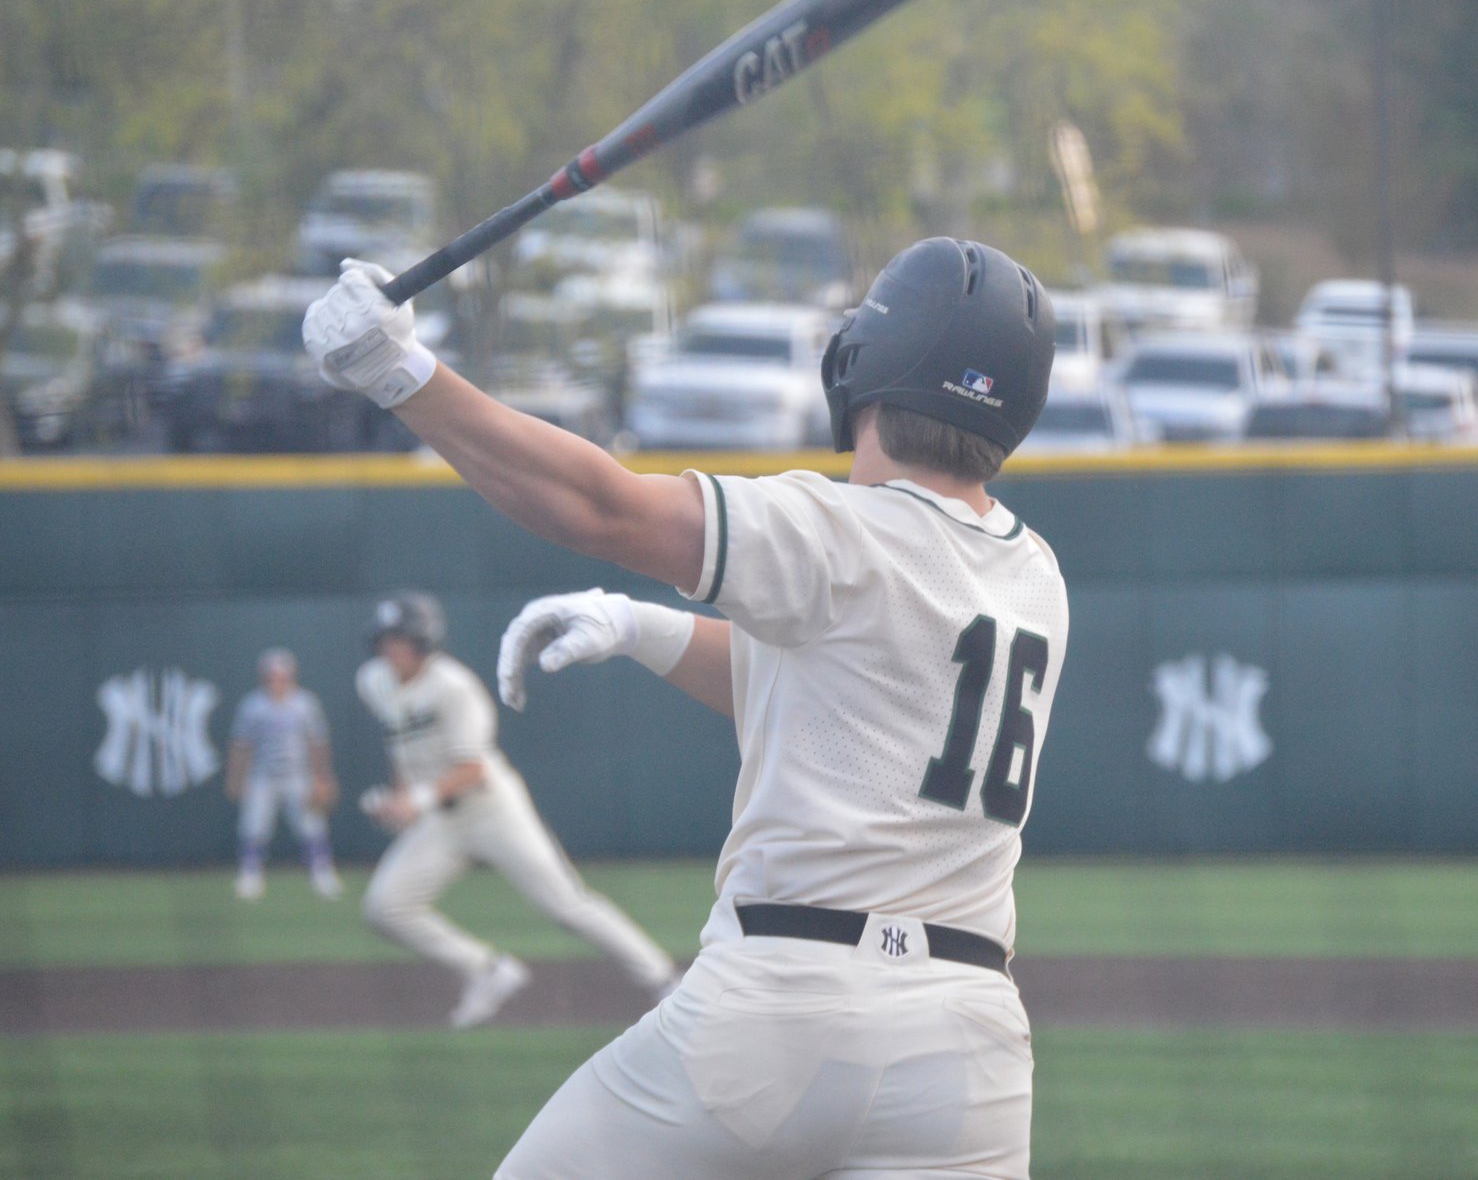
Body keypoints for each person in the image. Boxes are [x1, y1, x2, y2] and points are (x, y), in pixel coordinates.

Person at [305, 235, 1067, 1176]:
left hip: (783, 1003)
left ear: (872, 361)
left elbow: (601, 507)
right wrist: (641, 627)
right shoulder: (1034, 574)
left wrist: (400, 373)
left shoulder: (837, 527)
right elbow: (822, 696)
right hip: (968, 1046)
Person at [353, 590, 679, 1030]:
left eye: (399, 639)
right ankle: (488, 970)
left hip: (491, 809)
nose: (389, 647)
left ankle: (663, 979)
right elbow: (401, 746)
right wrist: (402, 799)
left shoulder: (453, 686)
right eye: (384, 639)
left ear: (422, 641)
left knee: (567, 905)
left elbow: (472, 767)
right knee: (385, 908)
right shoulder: (373, 680)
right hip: (442, 820)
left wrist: (418, 799)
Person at [225, 647, 343, 901]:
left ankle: (322, 874)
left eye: (281, 677)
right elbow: (241, 745)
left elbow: (317, 743)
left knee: (311, 826)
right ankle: (250, 876)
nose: (276, 682)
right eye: (272, 677)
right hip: (262, 776)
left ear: (292, 677)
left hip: (298, 776)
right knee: (254, 825)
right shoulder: (252, 705)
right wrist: (235, 778)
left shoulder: (305, 704)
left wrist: (322, 777)